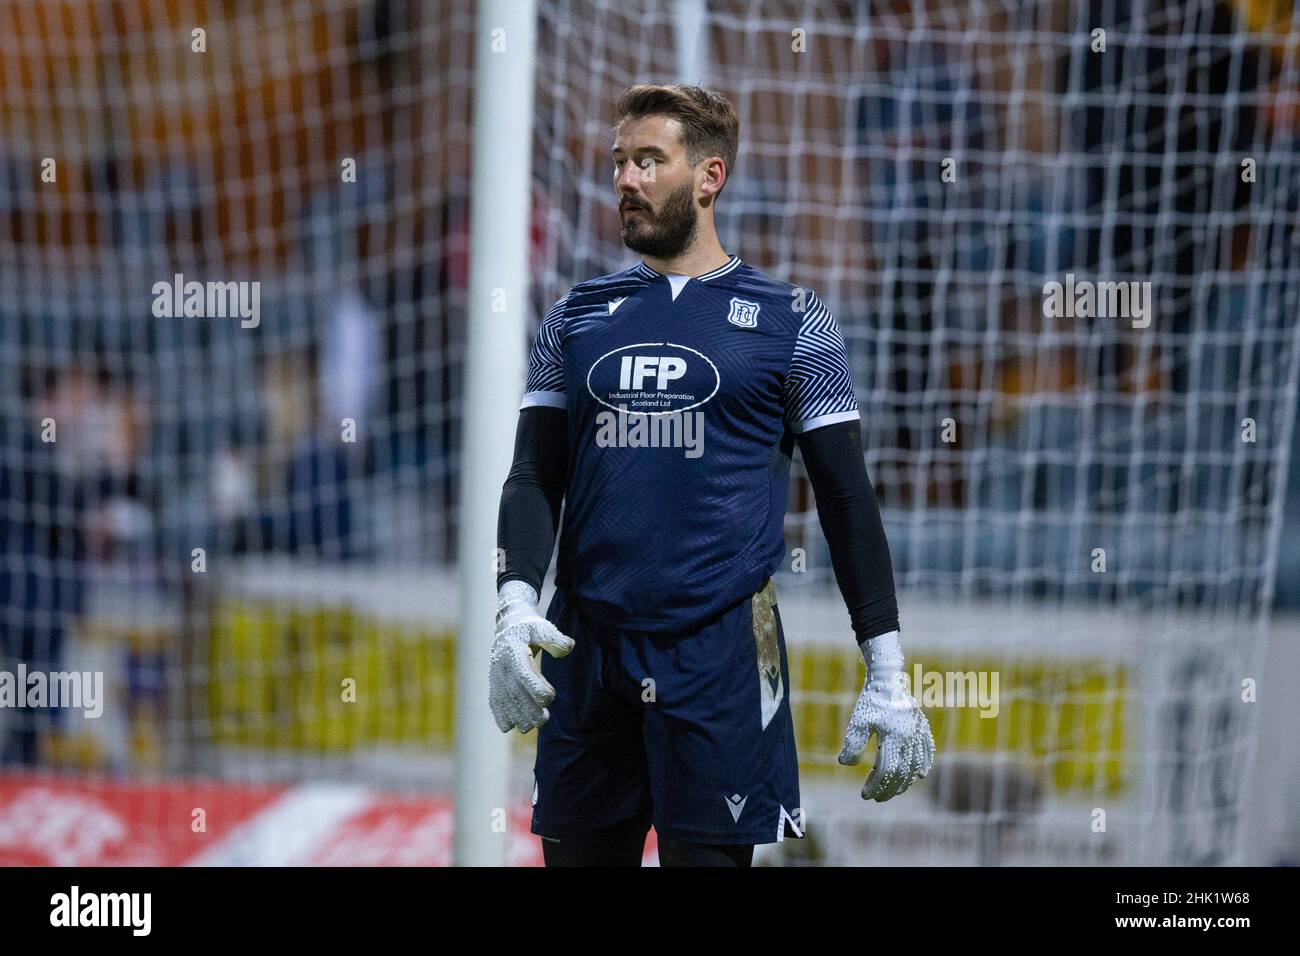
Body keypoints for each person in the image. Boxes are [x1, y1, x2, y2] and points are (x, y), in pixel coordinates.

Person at [491, 85, 934, 867]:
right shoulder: (574, 315)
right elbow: (532, 475)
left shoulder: (794, 320)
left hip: (724, 653)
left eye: (649, 161)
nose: (625, 179)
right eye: (620, 162)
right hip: (587, 649)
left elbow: (846, 498)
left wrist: (889, 669)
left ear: (709, 176)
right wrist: (515, 601)